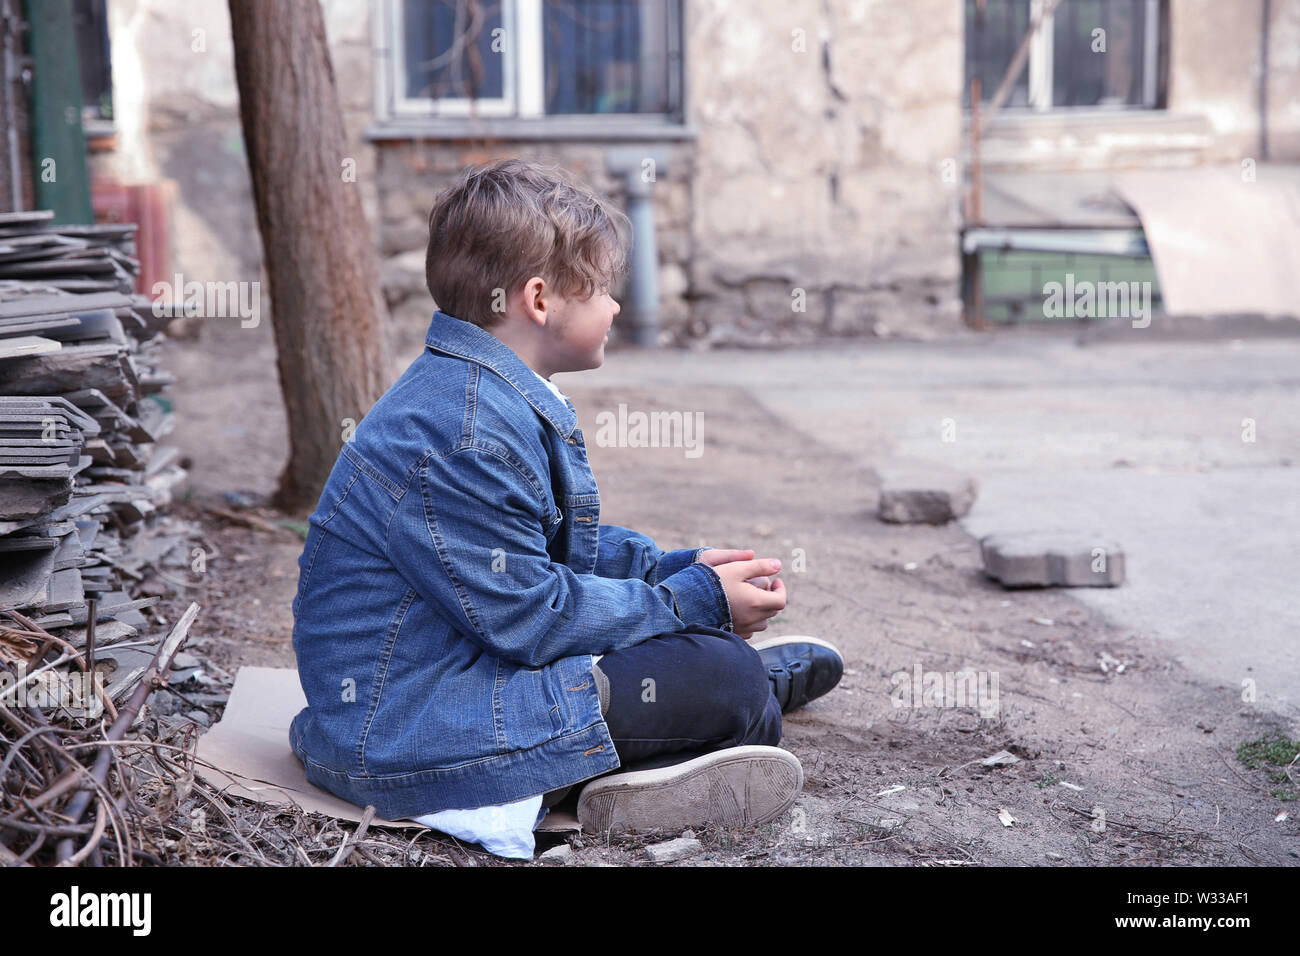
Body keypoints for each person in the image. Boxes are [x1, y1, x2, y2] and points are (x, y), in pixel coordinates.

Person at [288, 158, 843, 859]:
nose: (614, 306)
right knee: (723, 676)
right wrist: (690, 603)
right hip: (405, 733)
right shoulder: (461, 435)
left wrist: (671, 568)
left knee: (707, 653)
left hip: (448, 681)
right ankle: (717, 714)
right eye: (603, 290)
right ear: (541, 300)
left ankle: (713, 702)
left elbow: (545, 545)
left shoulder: (483, 394)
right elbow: (530, 617)